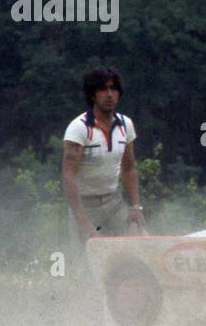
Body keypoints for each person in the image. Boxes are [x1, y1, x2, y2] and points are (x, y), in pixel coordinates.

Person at [61, 67, 147, 265]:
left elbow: (129, 168)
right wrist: (82, 220)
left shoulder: (125, 125)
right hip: (85, 204)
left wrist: (135, 206)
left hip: (113, 201)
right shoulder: (79, 128)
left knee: (139, 249)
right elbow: (68, 177)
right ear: (92, 94)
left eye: (114, 89)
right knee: (88, 262)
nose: (109, 94)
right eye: (103, 89)